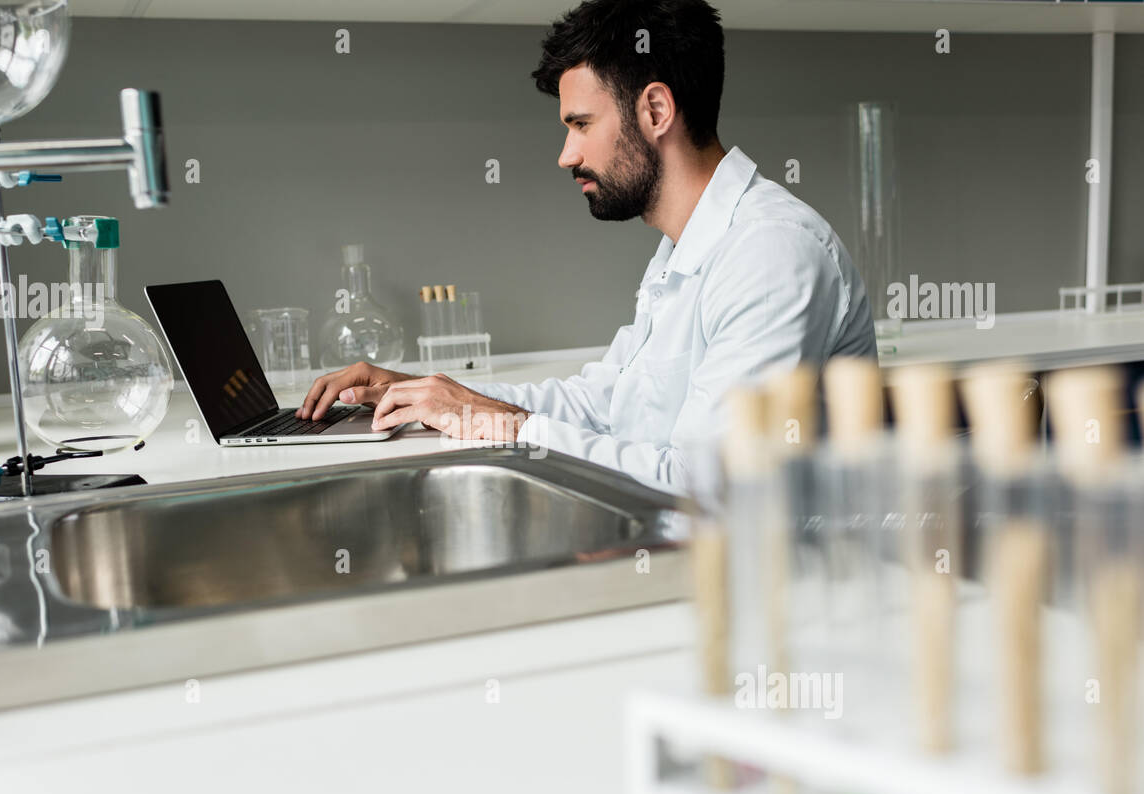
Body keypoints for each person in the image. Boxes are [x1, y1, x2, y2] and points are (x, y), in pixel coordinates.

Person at [298, 0, 875, 494]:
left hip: (781, 594)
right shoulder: (686, 247)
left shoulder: (770, 252)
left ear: (655, 110)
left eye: (580, 124)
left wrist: (507, 425)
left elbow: (709, 490)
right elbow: (602, 404)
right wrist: (430, 395)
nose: (566, 154)